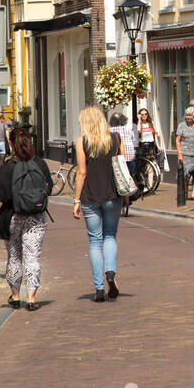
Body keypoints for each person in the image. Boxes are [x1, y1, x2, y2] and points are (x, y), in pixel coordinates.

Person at [0, 129, 53, 311]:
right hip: (36, 217)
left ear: (12, 144)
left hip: (13, 217)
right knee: (32, 257)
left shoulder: (8, 166)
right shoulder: (40, 164)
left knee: (14, 256)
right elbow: (49, 189)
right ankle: (31, 298)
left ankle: (15, 296)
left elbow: (2, 195)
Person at [74, 105, 124, 302]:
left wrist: (76, 200)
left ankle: (98, 288)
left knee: (95, 241)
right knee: (110, 235)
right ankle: (110, 272)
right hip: (113, 194)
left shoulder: (81, 142)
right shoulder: (115, 139)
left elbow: (81, 172)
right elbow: (121, 167)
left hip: (90, 197)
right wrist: (125, 195)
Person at [174, 106, 194, 208]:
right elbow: (178, 140)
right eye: (187, 115)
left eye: (190, 115)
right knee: (186, 175)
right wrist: (179, 153)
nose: (188, 117)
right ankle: (185, 192)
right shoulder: (181, 125)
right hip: (185, 153)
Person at [109, 111, 138, 214]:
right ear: (124, 120)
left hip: (116, 159)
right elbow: (133, 143)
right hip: (129, 158)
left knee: (114, 179)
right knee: (128, 175)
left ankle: (119, 198)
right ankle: (127, 196)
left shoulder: (109, 131)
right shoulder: (128, 130)